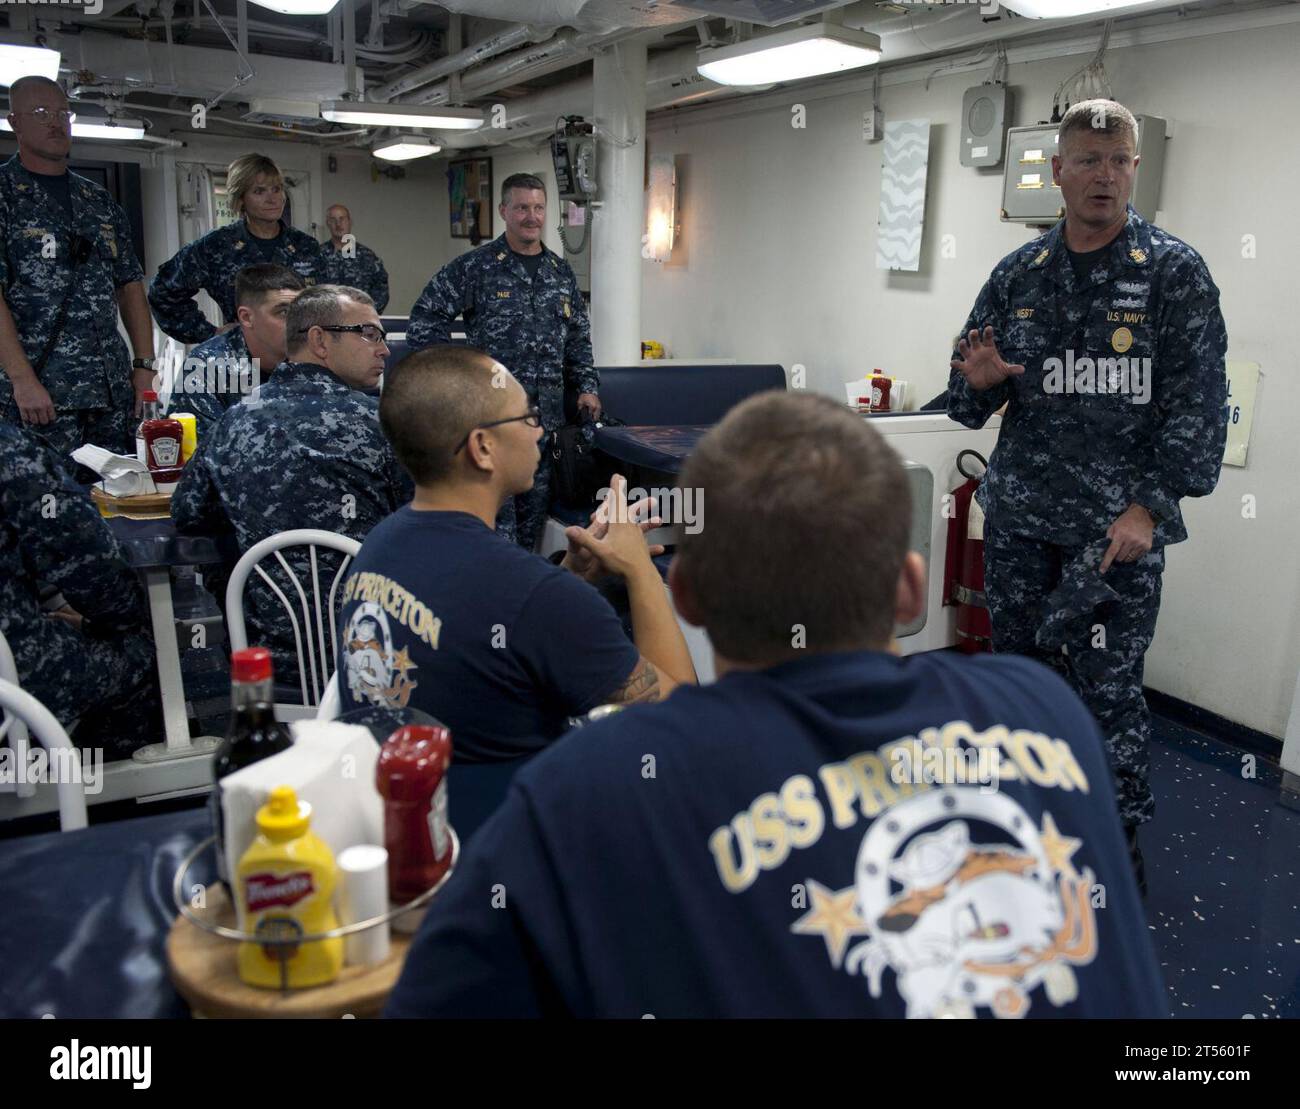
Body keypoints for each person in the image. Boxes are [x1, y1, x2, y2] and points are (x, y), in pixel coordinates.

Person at [384, 392, 1165, 1018]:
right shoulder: (1046, 707)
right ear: (909, 590)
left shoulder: (589, 791)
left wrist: (636, 575)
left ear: (686, 591)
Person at [945, 99, 1228, 892]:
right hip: (1021, 529)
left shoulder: (1172, 272)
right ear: (1058, 171)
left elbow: (1200, 410)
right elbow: (964, 396)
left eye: (1119, 161)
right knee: (1019, 683)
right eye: (1088, 161)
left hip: (1114, 539)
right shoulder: (1018, 274)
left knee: (1106, 694)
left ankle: (1115, 844)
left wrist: (1151, 509)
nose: (1104, 176)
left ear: (1135, 169)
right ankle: (1020, 832)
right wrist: (979, 384)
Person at [336, 343, 695, 762]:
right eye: (527, 417)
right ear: (482, 447)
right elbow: (682, 726)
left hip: (405, 803)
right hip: (502, 821)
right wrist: (639, 569)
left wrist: (572, 577)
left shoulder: (379, 544)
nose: (541, 431)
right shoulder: (536, 596)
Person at [172, 286, 409, 690]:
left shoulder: (233, 422)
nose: (384, 350)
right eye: (369, 334)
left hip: (269, 656)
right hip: (379, 651)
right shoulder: (387, 424)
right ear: (319, 340)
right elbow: (427, 527)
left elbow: (188, 513)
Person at [406, 172, 600, 551]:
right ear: (504, 211)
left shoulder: (560, 273)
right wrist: (455, 379)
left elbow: (578, 337)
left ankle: (516, 605)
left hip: (545, 428)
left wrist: (588, 387)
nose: (532, 216)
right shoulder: (476, 267)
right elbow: (426, 318)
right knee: (492, 529)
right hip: (491, 422)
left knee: (530, 536)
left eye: (539, 208)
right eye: (522, 207)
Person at [0, 76, 156, 458]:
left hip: (111, 392)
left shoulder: (97, 200)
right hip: (40, 392)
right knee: (45, 507)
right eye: (41, 113)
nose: (56, 122)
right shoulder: (5, 196)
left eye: (62, 113)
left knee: (117, 497)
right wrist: (22, 380)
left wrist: (144, 367)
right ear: (14, 122)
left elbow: (130, 285)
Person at [0, 423, 160, 757]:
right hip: (13, 676)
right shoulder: (11, 452)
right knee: (139, 650)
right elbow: (92, 566)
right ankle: (97, 790)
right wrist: (117, 618)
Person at [148, 153, 320, 344]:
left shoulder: (305, 246)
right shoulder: (217, 246)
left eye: (277, 189)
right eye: (259, 191)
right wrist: (210, 333)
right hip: (244, 361)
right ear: (240, 199)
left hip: (300, 358)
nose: (273, 199)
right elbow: (163, 292)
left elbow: (327, 304)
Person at [167, 263, 305, 439]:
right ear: (247, 317)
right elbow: (202, 455)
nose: (299, 323)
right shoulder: (207, 367)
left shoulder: (318, 356)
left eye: (302, 312)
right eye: (284, 312)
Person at [320, 204, 389, 312]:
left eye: (342, 219)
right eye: (333, 220)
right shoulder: (317, 255)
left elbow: (381, 289)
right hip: (326, 319)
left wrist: (368, 312)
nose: (338, 224)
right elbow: (309, 290)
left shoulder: (367, 256)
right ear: (328, 223)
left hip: (360, 320)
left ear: (350, 222)